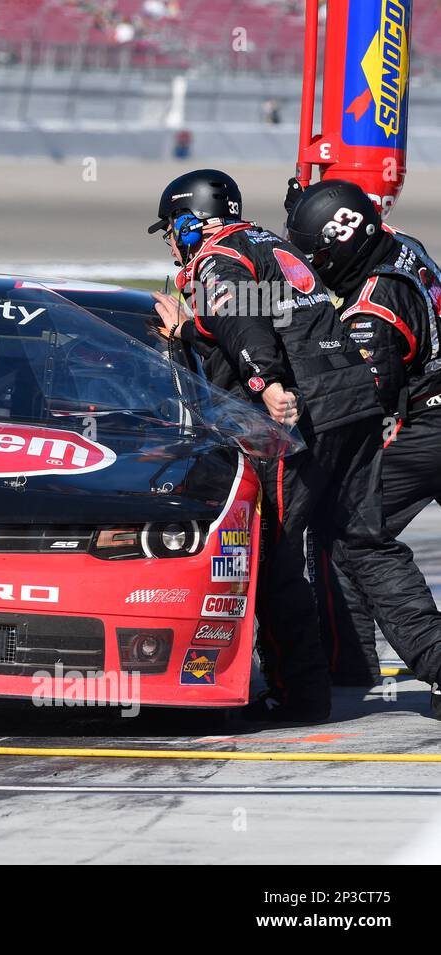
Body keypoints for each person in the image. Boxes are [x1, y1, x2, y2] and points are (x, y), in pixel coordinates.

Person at [148, 168, 383, 721]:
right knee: (361, 545)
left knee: (273, 556)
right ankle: (362, 667)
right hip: (351, 401)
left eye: (171, 228)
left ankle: (302, 697)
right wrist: (192, 331)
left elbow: (241, 323)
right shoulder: (265, 241)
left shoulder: (215, 256)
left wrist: (266, 384)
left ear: (188, 220)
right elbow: (261, 317)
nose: (172, 240)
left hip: (297, 414)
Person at [286, 178, 441, 701]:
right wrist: (309, 208)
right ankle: (349, 664)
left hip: (430, 429)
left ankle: (418, 658)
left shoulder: (372, 312)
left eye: (319, 256)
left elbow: (357, 404)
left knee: (350, 529)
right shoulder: (400, 244)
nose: (315, 268)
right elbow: (350, 217)